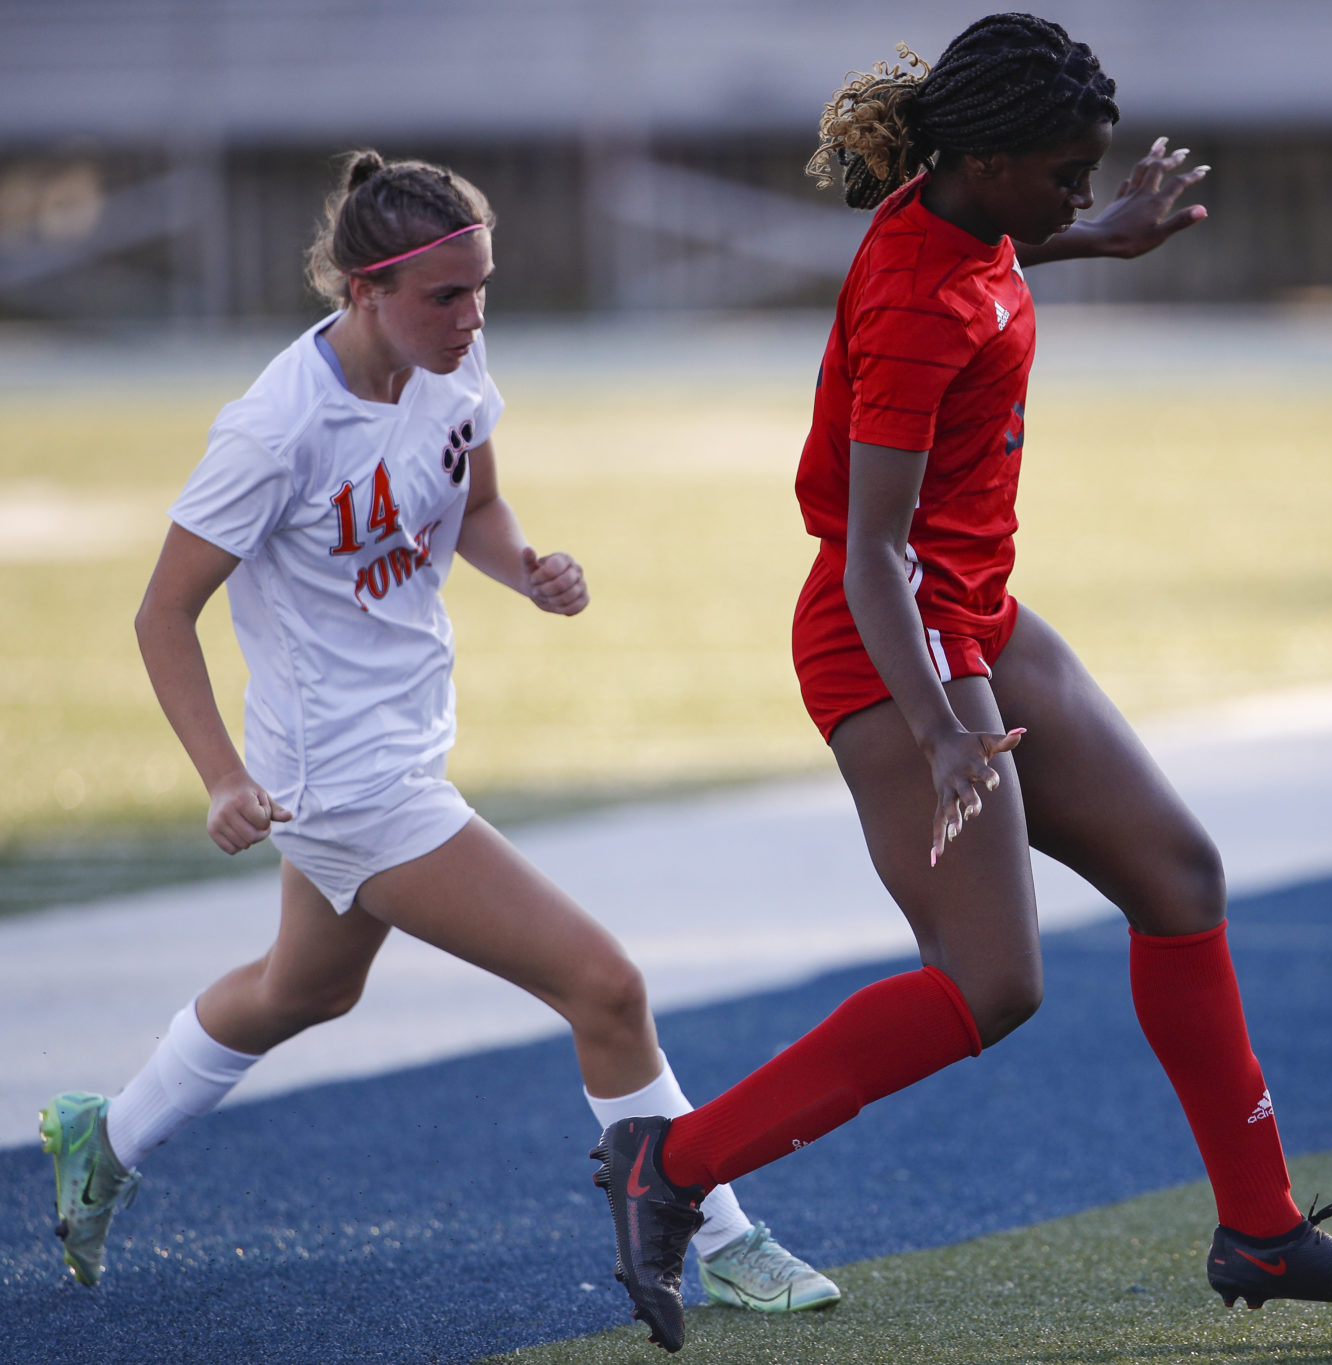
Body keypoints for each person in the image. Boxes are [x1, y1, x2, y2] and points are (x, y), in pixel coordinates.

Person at [590, 14, 1332, 1353]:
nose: (1078, 188)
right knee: (991, 987)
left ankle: (1259, 1227)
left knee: (1179, 880)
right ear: (995, 159)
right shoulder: (914, 297)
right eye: (1069, 173)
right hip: (889, 641)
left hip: (974, 619)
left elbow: (985, 262)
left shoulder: (963, 213)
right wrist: (949, 732)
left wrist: (1096, 233)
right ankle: (674, 1162)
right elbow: (872, 558)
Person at [38, 150, 838, 1315]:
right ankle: (714, 1229)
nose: (471, 319)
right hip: (339, 782)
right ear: (361, 289)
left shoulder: (450, 365)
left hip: (404, 743)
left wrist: (526, 569)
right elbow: (163, 611)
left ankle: (102, 1139)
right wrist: (220, 777)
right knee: (604, 986)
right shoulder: (275, 430)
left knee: (302, 992)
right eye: (443, 296)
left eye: (482, 290)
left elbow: (476, 504)